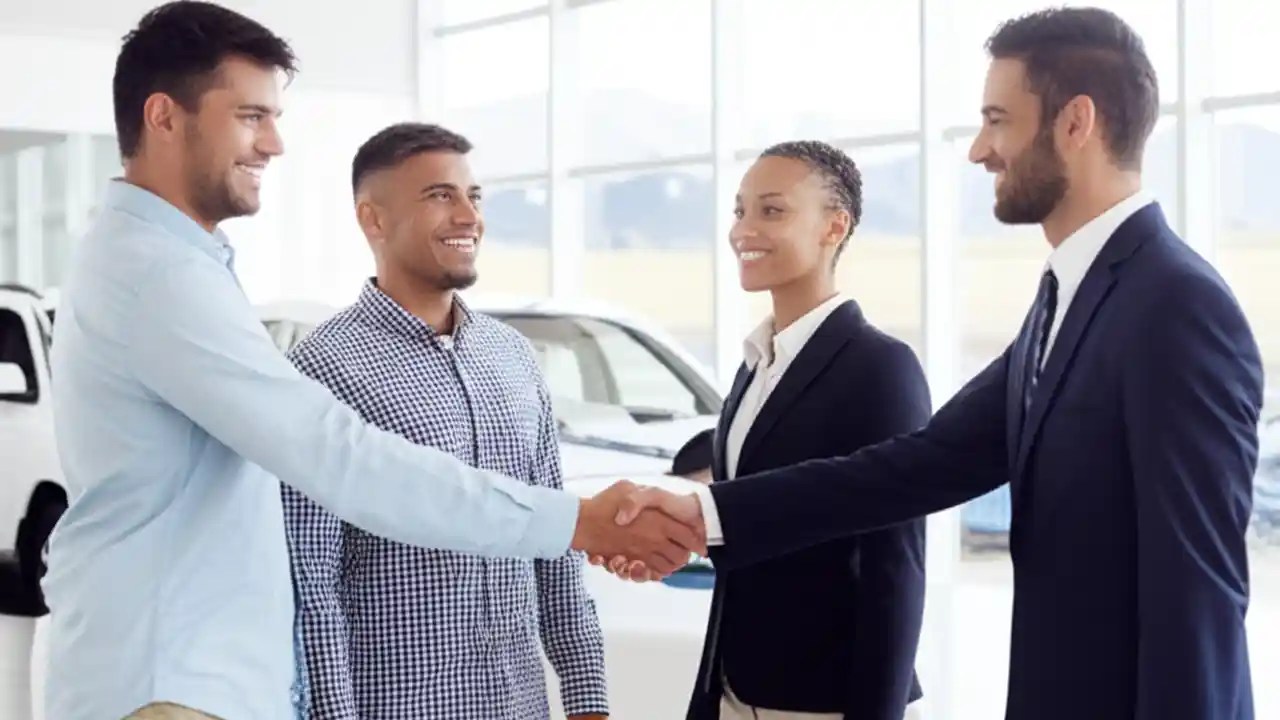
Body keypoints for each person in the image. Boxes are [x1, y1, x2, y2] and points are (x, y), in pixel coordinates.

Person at [42, 3, 698, 720]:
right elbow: (338, 461)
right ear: (164, 117)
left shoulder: (169, 263)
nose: (275, 145)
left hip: (197, 679)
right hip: (172, 685)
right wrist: (580, 522)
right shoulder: (158, 276)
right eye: (251, 116)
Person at [613, 8, 1263, 720]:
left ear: (1076, 123)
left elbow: (1196, 595)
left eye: (998, 119)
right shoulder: (1065, 300)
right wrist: (702, 512)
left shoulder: (1174, 306)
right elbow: (914, 468)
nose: (980, 149)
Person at [282, 123, 609, 720]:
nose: (467, 216)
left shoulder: (512, 357)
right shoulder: (319, 369)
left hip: (521, 706)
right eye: (440, 196)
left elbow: (557, 543)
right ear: (373, 221)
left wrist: (588, 698)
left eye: (474, 197)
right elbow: (312, 586)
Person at [684, 141, 929, 720]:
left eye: (772, 211)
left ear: (833, 227)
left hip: (829, 703)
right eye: (740, 211)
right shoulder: (757, 363)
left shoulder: (880, 367)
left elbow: (895, 563)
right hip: (739, 692)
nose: (745, 229)